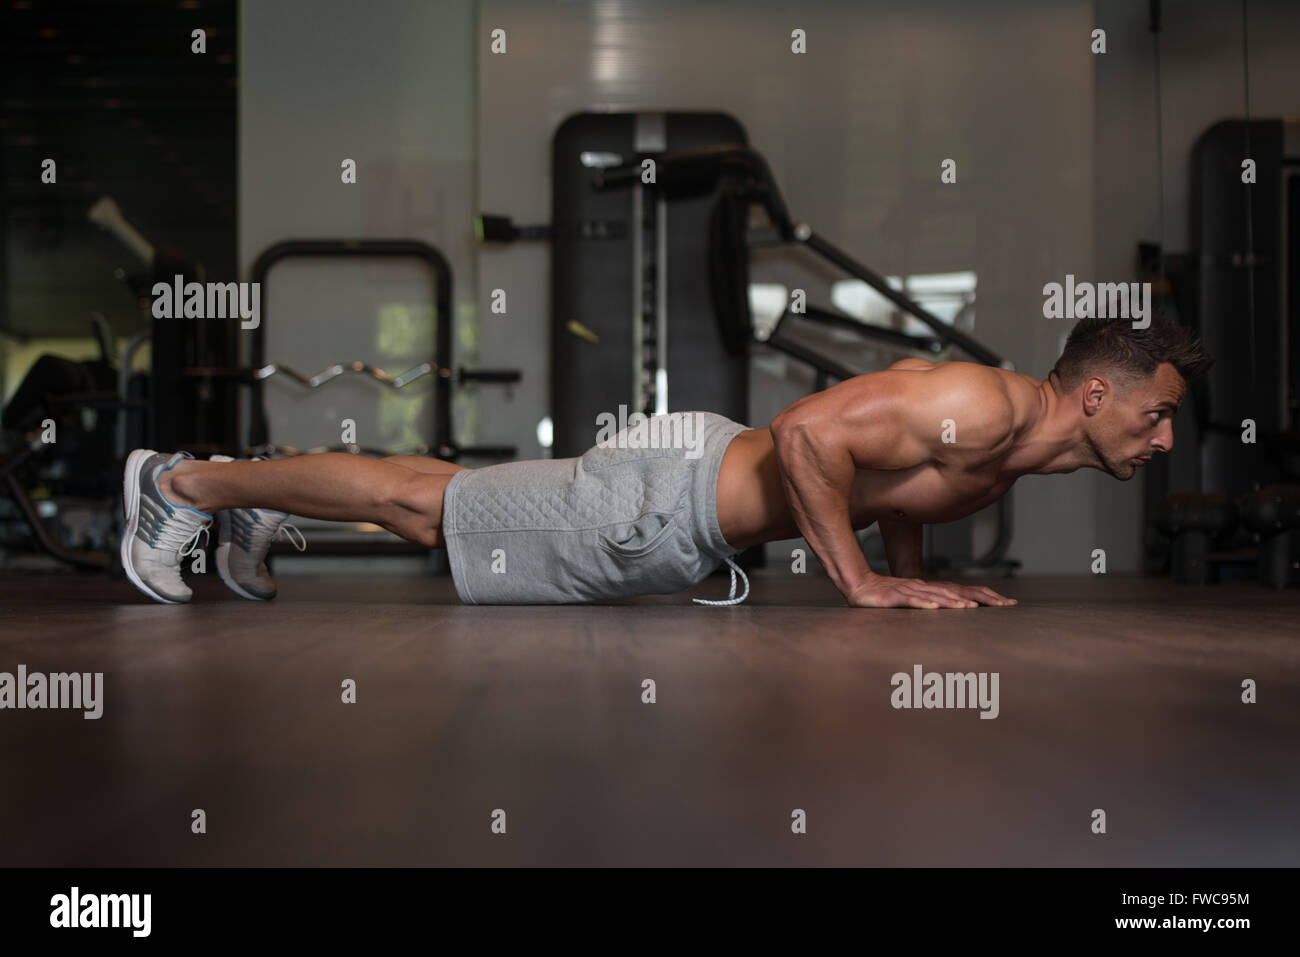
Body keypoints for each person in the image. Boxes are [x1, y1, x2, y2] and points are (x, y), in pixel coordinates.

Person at [120, 315, 1213, 608]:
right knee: (425, 506)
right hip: (665, 502)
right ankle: (180, 485)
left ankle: (242, 504)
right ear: (1098, 392)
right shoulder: (982, 401)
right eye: (1157, 417)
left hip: (678, 502)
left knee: (435, 498)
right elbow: (805, 436)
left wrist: (907, 570)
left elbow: (892, 480)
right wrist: (862, 585)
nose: (1162, 442)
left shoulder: (1020, 443)